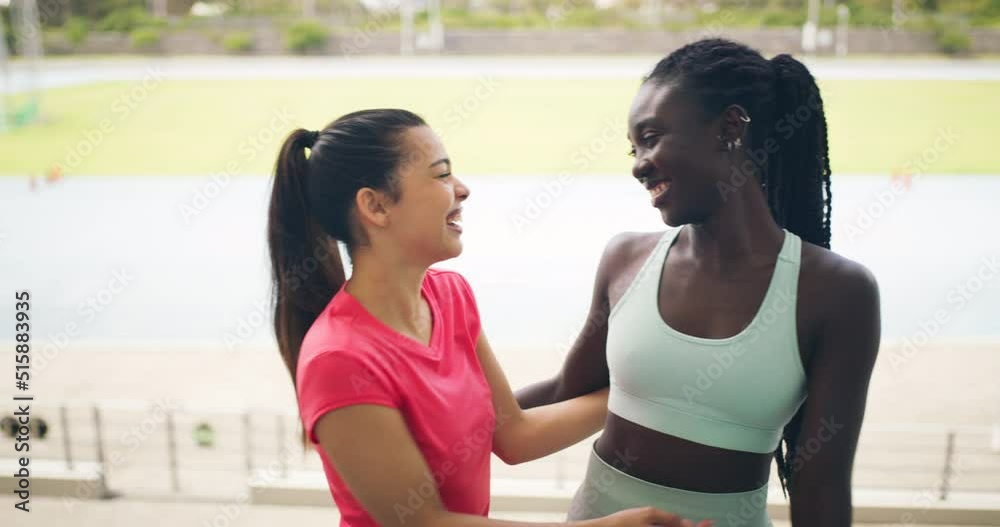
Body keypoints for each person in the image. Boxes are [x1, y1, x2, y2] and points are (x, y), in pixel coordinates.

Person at [267, 109, 710, 527]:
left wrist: (650, 391)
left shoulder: (449, 295)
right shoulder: (339, 360)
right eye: (441, 174)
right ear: (376, 206)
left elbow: (514, 435)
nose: (462, 189)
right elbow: (425, 524)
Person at [516, 39, 882, 527]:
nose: (638, 163)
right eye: (634, 146)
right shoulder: (625, 258)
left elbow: (821, 485)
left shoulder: (838, 292)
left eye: (652, 137)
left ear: (730, 128)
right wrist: (433, 410)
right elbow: (568, 388)